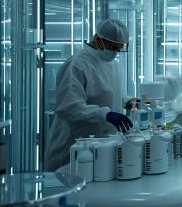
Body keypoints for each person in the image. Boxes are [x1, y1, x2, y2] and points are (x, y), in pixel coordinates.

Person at [45, 19, 134, 170]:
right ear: (97, 39)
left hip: (102, 147)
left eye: (119, 48)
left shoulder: (113, 64)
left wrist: (130, 101)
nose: (115, 52)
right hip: (72, 148)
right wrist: (105, 114)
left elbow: (111, 93)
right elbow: (69, 107)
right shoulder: (76, 65)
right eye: (112, 47)